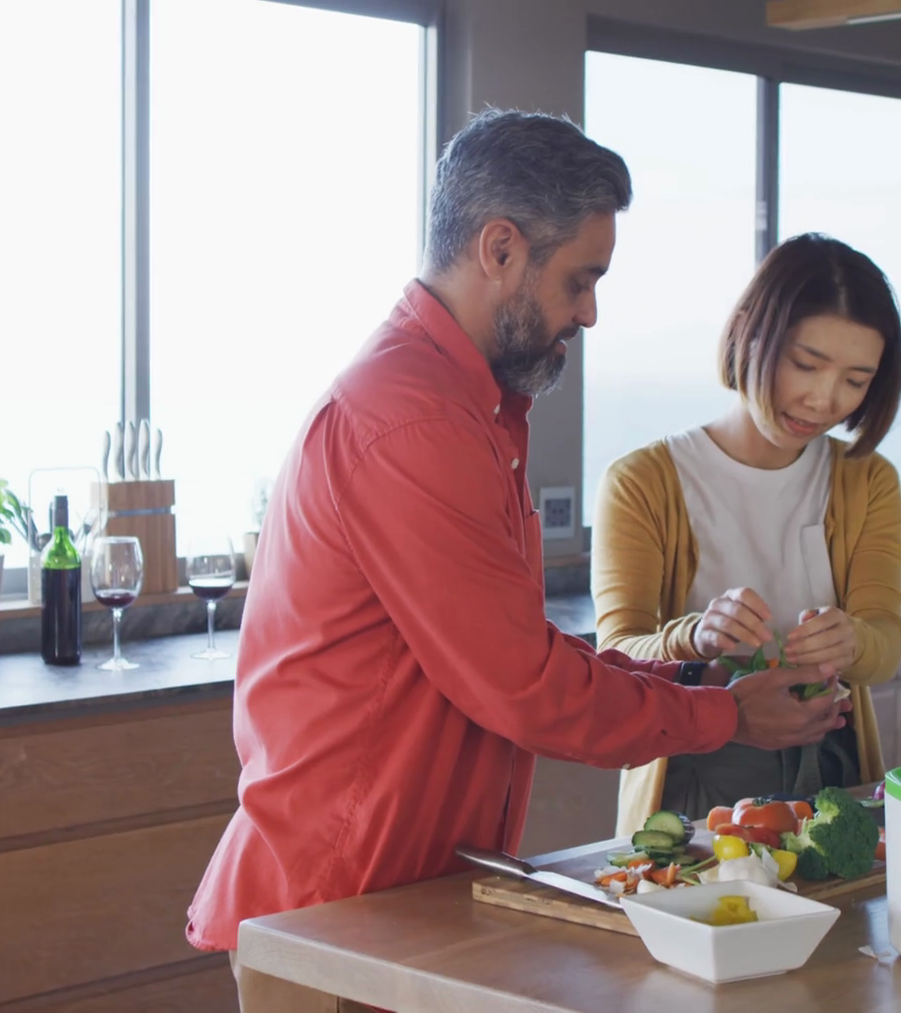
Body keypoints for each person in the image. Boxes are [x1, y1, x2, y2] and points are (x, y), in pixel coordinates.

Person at [186, 111, 853, 1004]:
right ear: (500, 248)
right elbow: (523, 687)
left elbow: (516, 650)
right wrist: (724, 719)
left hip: (401, 895)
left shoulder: (465, 410)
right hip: (335, 908)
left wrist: (699, 689)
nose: (590, 311)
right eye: (581, 279)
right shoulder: (414, 423)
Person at [593, 233, 901, 836]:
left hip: (831, 770)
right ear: (748, 335)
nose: (823, 400)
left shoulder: (866, 480)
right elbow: (615, 656)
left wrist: (852, 642)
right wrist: (696, 636)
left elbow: (886, 641)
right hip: (689, 777)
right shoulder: (641, 481)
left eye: (855, 379)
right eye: (806, 364)